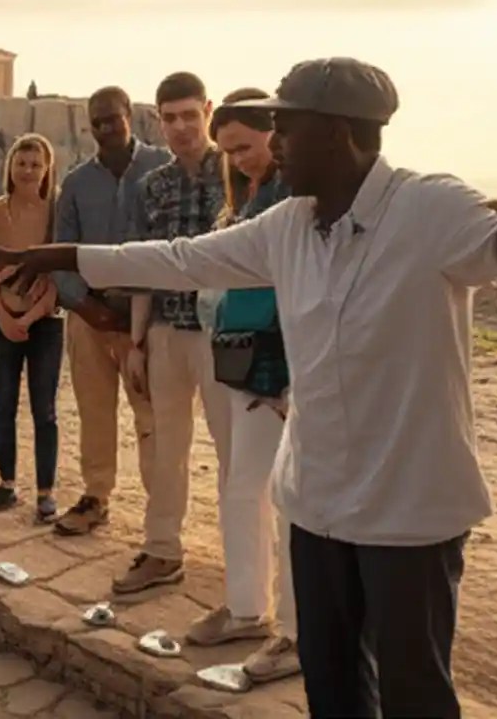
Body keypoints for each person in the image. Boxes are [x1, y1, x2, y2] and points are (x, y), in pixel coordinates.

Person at [0, 56, 497, 719]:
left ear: (339, 132)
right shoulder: (289, 224)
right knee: (333, 681)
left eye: (287, 126)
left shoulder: (429, 207)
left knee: (414, 691)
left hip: (409, 511)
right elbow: (182, 258)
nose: (275, 142)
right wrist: (57, 257)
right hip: (317, 505)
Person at [185, 89, 299, 684]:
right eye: (229, 151)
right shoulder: (252, 194)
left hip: (272, 372)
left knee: (284, 498)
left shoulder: (289, 195)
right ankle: (249, 607)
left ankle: (293, 633)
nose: (240, 159)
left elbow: (289, 291)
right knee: (242, 490)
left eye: (246, 147)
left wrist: (279, 382)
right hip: (240, 362)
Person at [116, 72, 230, 594]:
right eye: (170, 117)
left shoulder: (234, 173)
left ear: (208, 110)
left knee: (236, 452)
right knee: (166, 450)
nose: (181, 126)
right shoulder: (153, 186)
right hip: (166, 330)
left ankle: (245, 565)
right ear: (158, 121)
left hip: (224, 335)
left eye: (189, 114)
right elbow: (145, 269)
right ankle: (162, 550)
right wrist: (137, 343)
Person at [50, 86, 171, 537]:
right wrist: (86, 305)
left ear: (130, 117)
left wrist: (137, 310)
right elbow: (61, 253)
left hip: (147, 316)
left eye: (112, 119)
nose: (104, 129)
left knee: (151, 416)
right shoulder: (78, 183)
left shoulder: (162, 169)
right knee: (94, 411)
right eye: (96, 122)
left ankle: (160, 508)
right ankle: (95, 495)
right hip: (89, 317)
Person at [0, 133, 63, 523]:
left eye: (35, 165)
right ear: (10, 165)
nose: (28, 171)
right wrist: (2, 314)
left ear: (46, 169)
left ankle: (46, 492)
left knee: (44, 410)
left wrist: (28, 317)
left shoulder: (57, 212)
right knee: (3, 406)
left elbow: (59, 273)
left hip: (44, 322)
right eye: (21, 163)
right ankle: (7, 485)